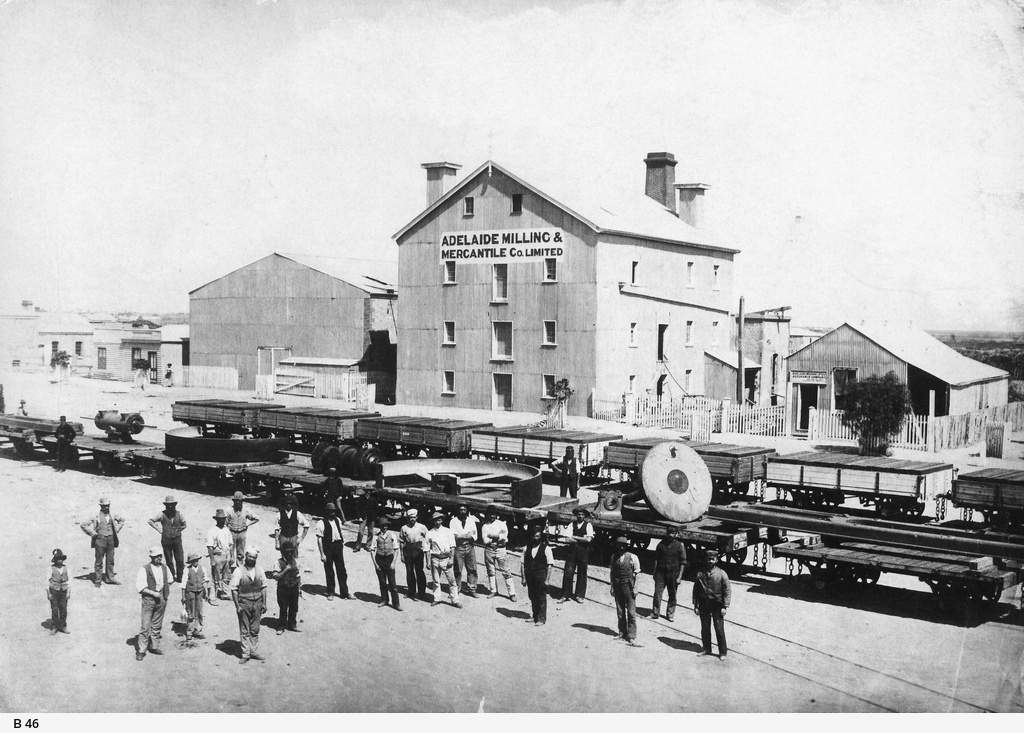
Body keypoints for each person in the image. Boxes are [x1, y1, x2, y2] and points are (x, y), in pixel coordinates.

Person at [230, 547, 267, 664]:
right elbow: (234, 590)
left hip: (257, 603)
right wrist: (237, 606)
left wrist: (264, 603)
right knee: (244, 629)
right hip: (244, 603)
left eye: (254, 557)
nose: (251, 559)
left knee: (255, 629)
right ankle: (245, 654)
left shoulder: (260, 570)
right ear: (246, 556)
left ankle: (254, 651)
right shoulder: (238, 571)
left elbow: (264, 587)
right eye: (250, 556)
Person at [693, 549, 732, 659]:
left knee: (719, 629)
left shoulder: (721, 574)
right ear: (706, 560)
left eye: (713, 559)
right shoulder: (700, 573)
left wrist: (725, 606)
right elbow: (696, 590)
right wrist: (696, 605)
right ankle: (706, 648)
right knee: (705, 628)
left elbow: (727, 591)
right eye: (709, 559)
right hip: (704, 604)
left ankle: (722, 652)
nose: (711, 561)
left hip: (717, 605)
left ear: (717, 560)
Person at [135, 546, 171, 661]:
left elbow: (169, 580)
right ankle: (141, 650)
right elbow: (141, 588)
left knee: (157, 625)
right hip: (149, 600)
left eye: (160, 556)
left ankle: (154, 646)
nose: (159, 558)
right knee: (145, 626)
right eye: (156, 556)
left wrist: (163, 592)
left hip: (161, 599)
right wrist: (153, 593)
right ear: (151, 557)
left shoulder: (165, 567)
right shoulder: (144, 569)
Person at [80, 496, 124, 587]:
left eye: (108, 505)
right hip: (100, 540)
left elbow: (122, 520)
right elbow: (83, 525)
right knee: (99, 561)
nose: (107, 507)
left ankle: (110, 578)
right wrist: (93, 533)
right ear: (101, 506)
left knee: (110, 560)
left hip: (111, 539)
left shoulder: (113, 514)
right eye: (104, 506)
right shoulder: (96, 516)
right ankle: (98, 580)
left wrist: (116, 530)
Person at [558, 507, 594, 604]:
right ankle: (565, 594)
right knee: (568, 572)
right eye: (579, 514)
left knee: (582, 573)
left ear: (585, 516)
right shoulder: (571, 525)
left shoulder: (588, 525)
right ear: (576, 515)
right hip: (572, 552)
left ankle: (579, 595)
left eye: (582, 515)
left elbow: (588, 540)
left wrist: (575, 537)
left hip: (583, 552)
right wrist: (582, 538)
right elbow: (567, 540)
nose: (580, 516)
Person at [481, 506, 517, 601]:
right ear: (487, 515)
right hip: (489, 550)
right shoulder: (485, 526)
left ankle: (511, 593)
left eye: (493, 514)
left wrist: (491, 536)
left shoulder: (502, 524)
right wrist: (496, 536)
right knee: (491, 571)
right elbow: (485, 540)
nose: (492, 516)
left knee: (506, 571)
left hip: (501, 549)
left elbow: (503, 537)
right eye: (490, 514)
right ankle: (493, 590)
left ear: (496, 515)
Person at [610, 537, 641, 647]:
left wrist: (636, 588)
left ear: (626, 545)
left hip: (629, 587)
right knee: (620, 610)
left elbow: (637, 574)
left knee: (631, 612)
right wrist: (612, 586)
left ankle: (631, 636)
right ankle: (622, 632)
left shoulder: (633, 557)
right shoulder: (614, 557)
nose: (621, 547)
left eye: (623, 545)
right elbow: (612, 573)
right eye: (619, 545)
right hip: (618, 586)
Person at [426, 512, 461, 608]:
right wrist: (428, 561)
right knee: (436, 580)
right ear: (433, 521)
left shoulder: (448, 531)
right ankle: (437, 599)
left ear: (442, 520)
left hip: (446, 559)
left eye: (439, 519)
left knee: (452, 581)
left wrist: (451, 559)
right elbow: (427, 549)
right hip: (435, 559)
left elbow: (452, 546)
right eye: (436, 520)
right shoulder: (429, 533)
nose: (438, 521)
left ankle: (455, 600)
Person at [316, 502, 350, 601]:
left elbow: (340, 532)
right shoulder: (321, 523)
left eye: (334, 511)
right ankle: (330, 592)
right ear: (326, 512)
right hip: (328, 548)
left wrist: (341, 544)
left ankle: (344, 592)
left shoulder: (337, 520)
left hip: (338, 546)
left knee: (342, 570)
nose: (332, 513)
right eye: (330, 512)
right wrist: (322, 554)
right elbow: (319, 539)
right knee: (329, 570)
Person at [148, 496, 186, 583]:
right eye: (168, 505)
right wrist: (160, 530)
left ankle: (180, 577)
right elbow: (150, 521)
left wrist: (178, 530)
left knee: (179, 559)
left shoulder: (179, 514)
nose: (170, 507)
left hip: (177, 539)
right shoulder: (162, 514)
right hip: (166, 540)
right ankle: (172, 576)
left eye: (172, 505)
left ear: (175, 505)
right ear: (165, 506)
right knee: (169, 559)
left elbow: (184, 524)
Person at [366, 517, 401, 611]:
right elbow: (372, 550)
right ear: (380, 526)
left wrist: (393, 562)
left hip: (389, 559)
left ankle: (396, 604)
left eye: (386, 525)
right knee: (382, 582)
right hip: (380, 560)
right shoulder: (376, 537)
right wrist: (375, 564)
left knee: (392, 584)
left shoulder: (392, 535)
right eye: (382, 526)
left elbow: (396, 549)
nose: (384, 527)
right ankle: (385, 600)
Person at [652, 527, 687, 621]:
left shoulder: (680, 545)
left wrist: (679, 577)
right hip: (660, 573)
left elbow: (683, 562)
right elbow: (656, 559)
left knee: (672, 595)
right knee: (657, 593)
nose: (671, 535)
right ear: (666, 533)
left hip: (673, 574)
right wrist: (654, 572)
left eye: (673, 533)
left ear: (676, 534)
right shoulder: (661, 544)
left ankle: (670, 614)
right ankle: (655, 613)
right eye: (669, 533)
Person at [521, 527, 554, 625]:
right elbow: (522, 564)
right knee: (532, 596)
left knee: (541, 597)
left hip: (541, 575)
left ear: (541, 537)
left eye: (537, 536)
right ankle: (534, 615)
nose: (535, 538)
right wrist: (523, 578)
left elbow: (550, 565)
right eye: (533, 536)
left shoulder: (546, 548)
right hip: (530, 576)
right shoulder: (526, 548)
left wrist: (547, 580)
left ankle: (541, 618)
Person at [270, 540, 301, 634]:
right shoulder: (278, 562)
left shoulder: (296, 561)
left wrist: (299, 588)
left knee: (294, 607)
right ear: (283, 552)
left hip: (294, 588)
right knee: (283, 608)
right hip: (283, 589)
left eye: (291, 551)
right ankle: (281, 626)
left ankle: (292, 624)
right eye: (287, 552)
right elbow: (275, 577)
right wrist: (285, 571)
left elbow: (298, 575)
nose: (290, 553)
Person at [449, 504, 480, 598]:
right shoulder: (453, 521)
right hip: (459, 548)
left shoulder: (471, 521)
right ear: (457, 510)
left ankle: (472, 589)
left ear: (467, 510)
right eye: (461, 509)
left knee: (472, 569)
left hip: (470, 547)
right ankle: (456, 589)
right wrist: (467, 535)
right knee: (457, 570)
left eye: (464, 509)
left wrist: (461, 536)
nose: (462, 511)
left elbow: (474, 536)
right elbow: (454, 537)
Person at [398, 508, 428, 602]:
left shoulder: (422, 527)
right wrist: (402, 555)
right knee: (410, 572)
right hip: (408, 550)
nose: (412, 519)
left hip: (418, 550)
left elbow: (427, 539)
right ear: (407, 518)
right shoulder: (404, 528)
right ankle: (411, 592)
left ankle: (421, 593)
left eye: (414, 517)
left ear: (417, 517)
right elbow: (402, 542)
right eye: (410, 517)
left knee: (419, 571)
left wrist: (425, 550)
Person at [226, 491, 259, 568]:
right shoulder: (229, 510)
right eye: (236, 501)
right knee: (230, 551)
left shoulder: (246, 510)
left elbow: (256, 518)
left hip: (242, 533)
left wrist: (248, 524)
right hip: (231, 533)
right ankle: (228, 569)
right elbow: (225, 523)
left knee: (241, 553)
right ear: (233, 501)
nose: (238, 503)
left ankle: (240, 568)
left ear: (242, 501)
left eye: (240, 501)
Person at [181, 552, 209, 642]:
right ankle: (190, 631)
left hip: (200, 592)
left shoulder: (202, 568)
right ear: (191, 562)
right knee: (190, 612)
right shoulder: (187, 570)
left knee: (199, 611)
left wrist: (206, 592)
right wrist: (183, 596)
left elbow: (205, 581)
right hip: (190, 593)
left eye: (197, 560)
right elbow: (183, 584)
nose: (196, 562)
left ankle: (198, 630)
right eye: (194, 561)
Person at [206, 508, 232, 602]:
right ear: (216, 519)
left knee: (226, 577)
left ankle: (224, 593)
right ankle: (212, 596)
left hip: (226, 556)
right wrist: (212, 560)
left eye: (223, 518)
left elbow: (230, 544)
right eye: (219, 519)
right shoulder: (212, 531)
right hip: (217, 556)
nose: (222, 520)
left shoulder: (226, 530)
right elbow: (209, 547)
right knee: (215, 578)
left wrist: (231, 556)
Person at [47, 548, 70, 635]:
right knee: (55, 609)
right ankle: (54, 626)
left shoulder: (66, 568)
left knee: (63, 608)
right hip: (54, 590)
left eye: (61, 559)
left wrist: (68, 592)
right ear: (55, 560)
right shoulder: (51, 568)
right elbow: (47, 581)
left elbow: (69, 581)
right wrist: (48, 593)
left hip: (63, 590)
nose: (59, 561)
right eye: (57, 559)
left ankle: (63, 626)